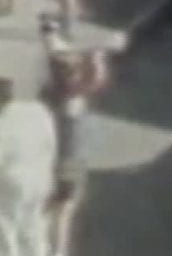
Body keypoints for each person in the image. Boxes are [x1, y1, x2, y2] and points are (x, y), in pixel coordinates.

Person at [42, 36, 112, 256]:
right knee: (65, 210)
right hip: (69, 163)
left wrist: (50, 34)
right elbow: (97, 80)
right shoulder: (72, 101)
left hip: (47, 158)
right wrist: (97, 58)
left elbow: (55, 50)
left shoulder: (49, 92)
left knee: (46, 206)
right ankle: (57, 252)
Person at [0, 76, 58, 256]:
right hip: (41, 178)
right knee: (34, 226)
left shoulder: (0, 123)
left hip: (13, 180)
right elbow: (51, 144)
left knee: (7, 226)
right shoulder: (39, 111)